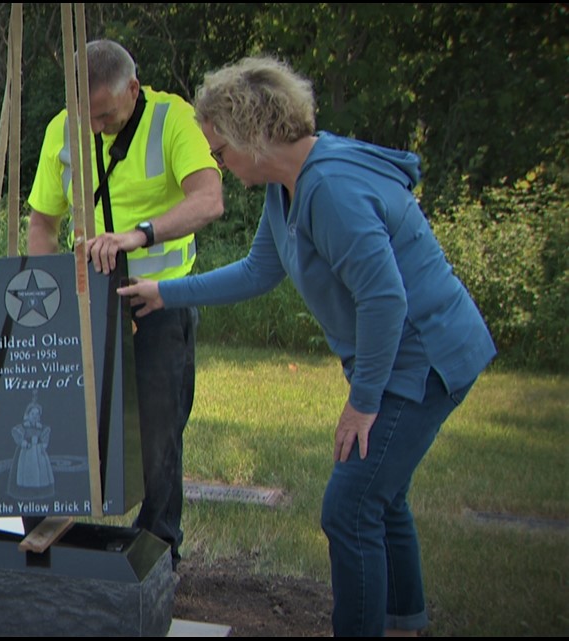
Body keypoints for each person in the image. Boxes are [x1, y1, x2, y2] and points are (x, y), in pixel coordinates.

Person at [116, 56, 496, 636]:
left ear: (253, 133)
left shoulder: (333, 190)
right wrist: (165, 293)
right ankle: (404, 623)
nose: (218, 162)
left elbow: (385, 300)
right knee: (382, 498)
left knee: (349, 509)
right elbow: (256, 272)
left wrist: (364, 401)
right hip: (405, 356)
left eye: (220, 150)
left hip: (427, 360)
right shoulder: (285, 188)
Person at [26, 39, 224, 571]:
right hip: (87, 306)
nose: (93, 128)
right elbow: (43, 223)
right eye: (84, 116)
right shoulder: (62, 129)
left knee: (159, 431)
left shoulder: (172, 119)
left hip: (160, 303)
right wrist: (45, 299)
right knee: (62, 417)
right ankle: (52, 538)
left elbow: (209, 199)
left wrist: (139, 236)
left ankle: (158, 549)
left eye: (106, 115)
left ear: (133, 90)